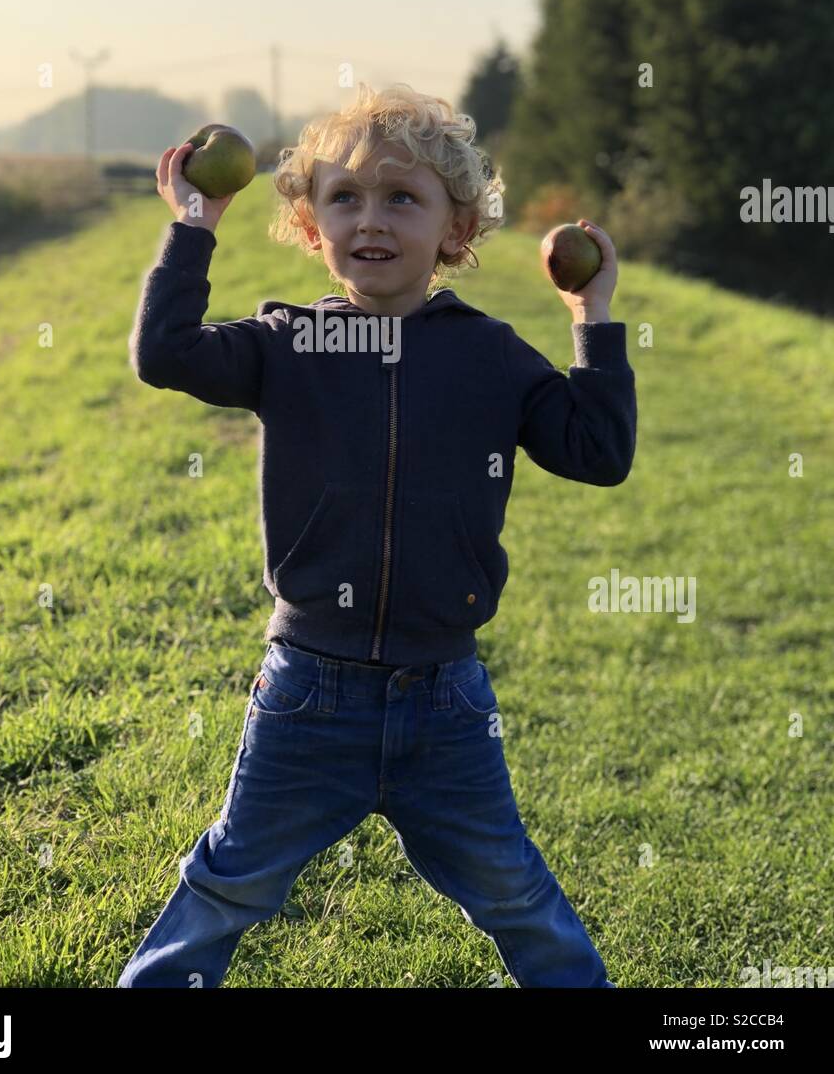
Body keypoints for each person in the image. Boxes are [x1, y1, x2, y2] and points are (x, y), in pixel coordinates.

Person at [117, 82, 635, 988]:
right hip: (309, 694)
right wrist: (195, 226)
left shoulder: (490, 354)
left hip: (447, 702)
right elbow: (165, 352)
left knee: (513, 894)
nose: (372, 219)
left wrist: (592, 320)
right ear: (312, 227)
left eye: (404, 197)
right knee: (229, 884)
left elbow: (598, 451)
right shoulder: (285, 343)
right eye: (344, 197)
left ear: (454, 230)